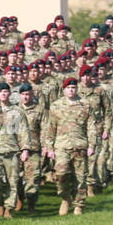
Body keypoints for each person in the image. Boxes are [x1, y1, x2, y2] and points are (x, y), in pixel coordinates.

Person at [45, 76, 98, 215]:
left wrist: (92, 145)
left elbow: (91, 127)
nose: (71, 90)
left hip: (80, 145)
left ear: (77, 88)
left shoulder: (85, 105)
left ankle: (78, 205)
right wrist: (49, 147)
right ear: (64, 90)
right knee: (61, 174)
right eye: (68, 88)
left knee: (80, 178)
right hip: (62, 146)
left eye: (73, 88)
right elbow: (50, 128)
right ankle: (65, 197)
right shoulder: (56, 106)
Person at [0, 82, 31, 218]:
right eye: (0, 92)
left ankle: (9, 208)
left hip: (12, 151)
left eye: (5, 91)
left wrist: (25, 149)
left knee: (13, 181)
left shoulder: (17, 111)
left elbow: (23, 131)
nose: (3, 94)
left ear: (10, 93)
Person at [16, 82, 44, 213]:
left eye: (28, 94)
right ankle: (20, 199)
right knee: (16, 177)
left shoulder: (39, 110)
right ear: (20, 95)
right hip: (17, 149)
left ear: (32, 94)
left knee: (33, 178)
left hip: (33, 148)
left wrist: (46, 146)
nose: (26, 97)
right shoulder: (14, 110)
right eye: (23, 95)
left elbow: (45, 129)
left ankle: (31, 204)